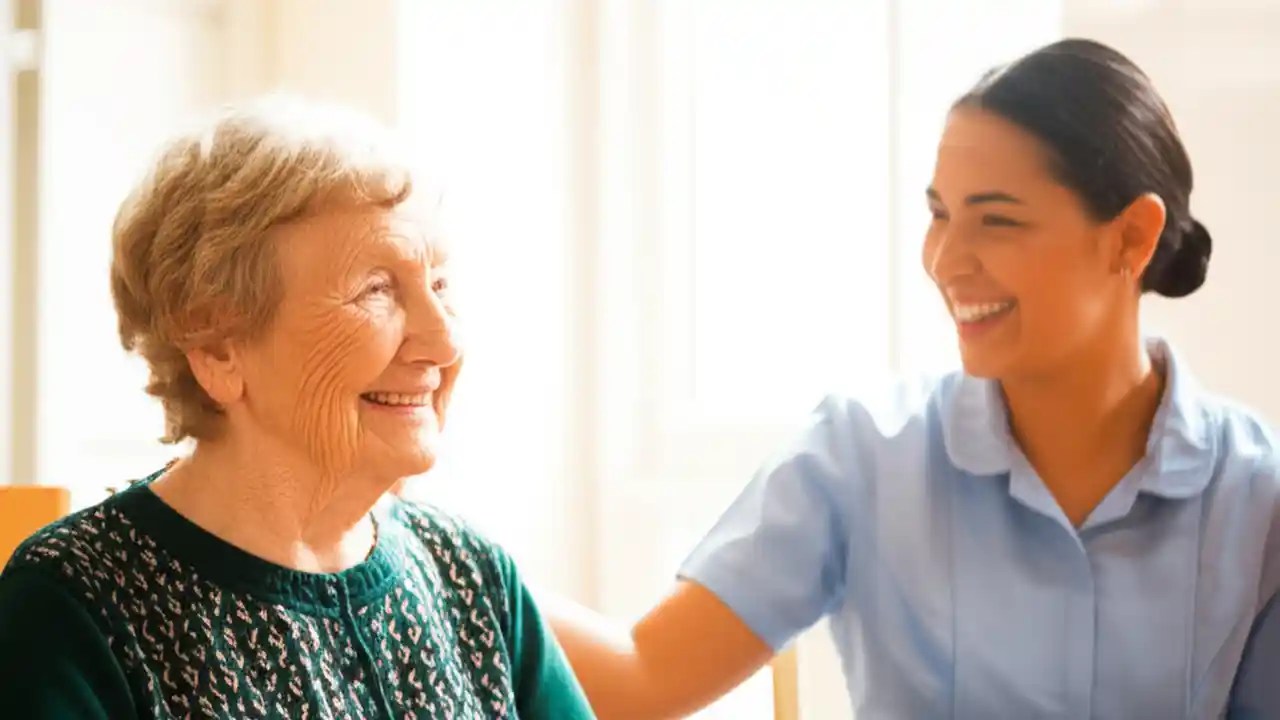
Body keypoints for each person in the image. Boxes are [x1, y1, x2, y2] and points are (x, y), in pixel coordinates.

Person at [549, 39, 1280, 718]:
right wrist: (442, 548)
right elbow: (641, 679)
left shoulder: (1257, 498)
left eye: (997, 221)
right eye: (939, 215)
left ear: (1131, 238)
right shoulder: (861, 457)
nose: (946, 260)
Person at [0, 97, 594, 719]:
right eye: (378, 289)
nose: (443, 341)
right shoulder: (76, 607)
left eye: (440, 285)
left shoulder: (470, 576)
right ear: (217, 345)